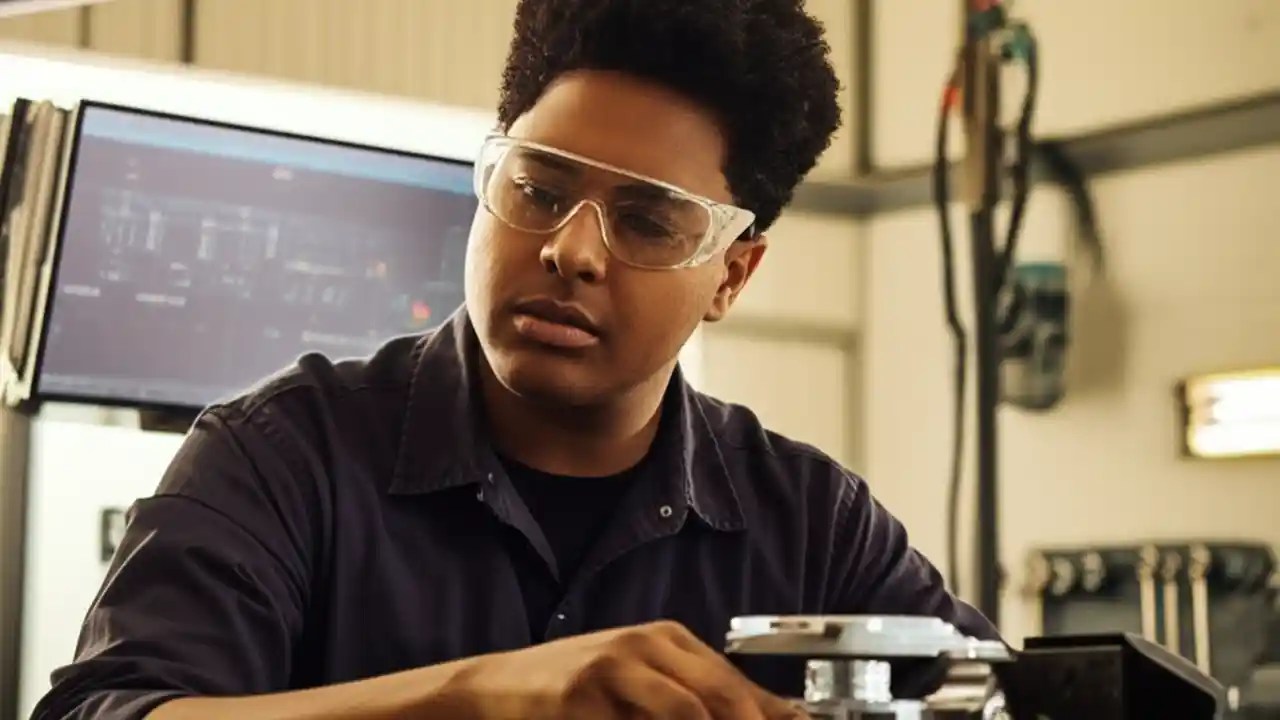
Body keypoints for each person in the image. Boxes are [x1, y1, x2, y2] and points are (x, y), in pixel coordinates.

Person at [34, 0, 998, 718]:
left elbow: (996, 699)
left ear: (730, 277)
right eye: (537, 187)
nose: (570, 249)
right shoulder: (282, 458)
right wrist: (483, 698)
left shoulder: (810, 525)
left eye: (647, 220)